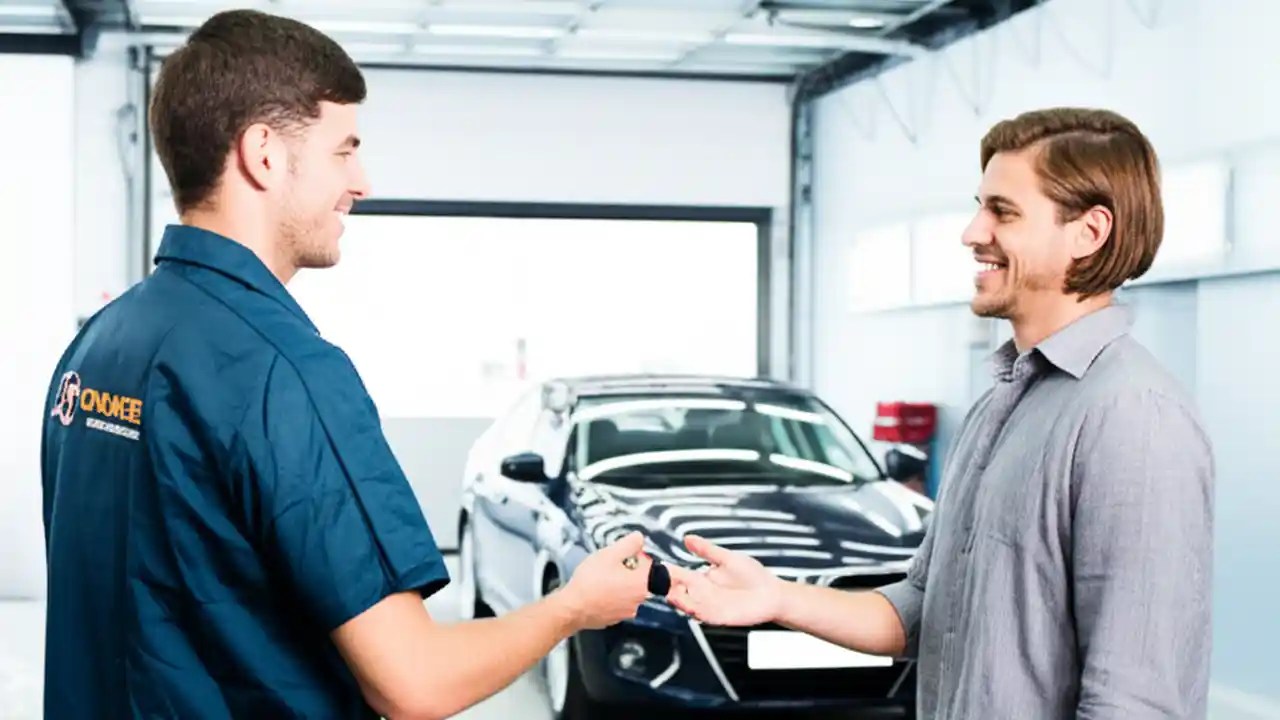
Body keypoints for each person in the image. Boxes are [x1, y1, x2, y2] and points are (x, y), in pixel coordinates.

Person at [40, 10, 653, 719]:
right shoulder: (284, 373)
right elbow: (414, 681)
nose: (361, 180)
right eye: (344, 150)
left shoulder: (95, 351)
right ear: (263, 154)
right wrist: (575, 605)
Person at [664, 108, 1215, 719]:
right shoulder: (1000, 407)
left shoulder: (1133, 416)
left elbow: (1135, 701)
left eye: (1003, 211)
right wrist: (775, 598)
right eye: (981, 206)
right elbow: (923, 612)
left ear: (1088, 233)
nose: (973, 232)